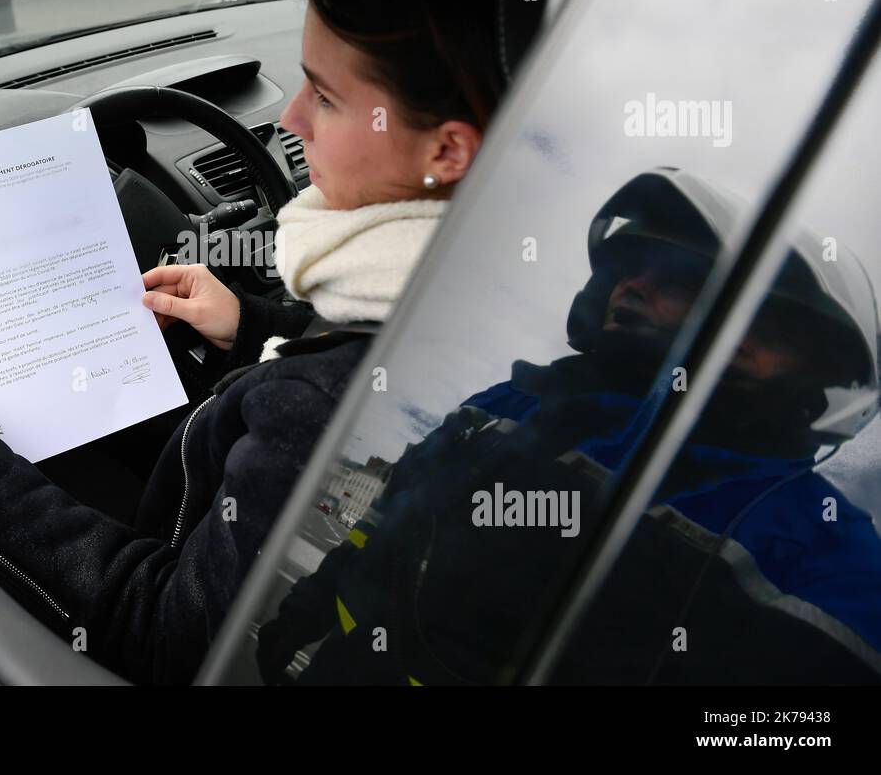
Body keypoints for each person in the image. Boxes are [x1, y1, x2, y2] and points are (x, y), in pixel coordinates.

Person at [0, 0, 538, 684]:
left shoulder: (318, 406)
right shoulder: (521, 296)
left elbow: (165, 634)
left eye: (326, 99)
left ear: (448, 149)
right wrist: (256, 325)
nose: (291, 120)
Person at [255, 168, 881, 685]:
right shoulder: (510, 404)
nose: (635, 283)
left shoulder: (813, 541)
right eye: (632, 261)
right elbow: (388, 517)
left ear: (789, 356)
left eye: (678, 273)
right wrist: (309, 605)